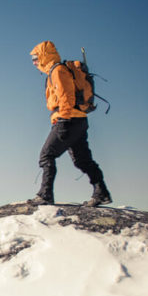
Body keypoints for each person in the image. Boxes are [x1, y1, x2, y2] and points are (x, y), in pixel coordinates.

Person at [27, 40, 112, 207]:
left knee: (46, 155)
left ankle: (45, 194)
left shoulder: (57, 71)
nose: (34, 63)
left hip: (68, 119)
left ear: (44, 57)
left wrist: (64, 120)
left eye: (36, 58)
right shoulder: (57, 71)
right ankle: (101, 191)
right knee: (82, 159)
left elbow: (66, 96)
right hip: (78, 119)